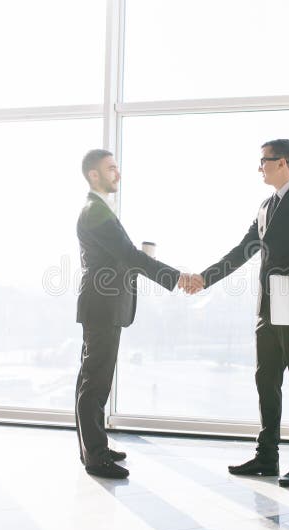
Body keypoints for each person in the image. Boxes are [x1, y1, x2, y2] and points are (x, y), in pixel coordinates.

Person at [186, 139, 289, 487]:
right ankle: (267, 457)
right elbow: (243, 250)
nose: (259, 168)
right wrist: (205, 278)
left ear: (282, 163)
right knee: (267, 382)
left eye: (263, 161)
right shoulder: (266, 206)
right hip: (267, 310)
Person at [75, 149, 202, 479]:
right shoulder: (96, 212)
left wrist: (137, 261)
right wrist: (177, 278)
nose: (118, 174)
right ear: (94, 175)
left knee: (94, 378)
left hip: (104, 305)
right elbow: (129, 255)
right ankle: (95, 456)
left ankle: (94, 447)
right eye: (111, 168)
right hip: (103, 306)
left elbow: (122, 256)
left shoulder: (101, 210)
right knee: (95, 382)